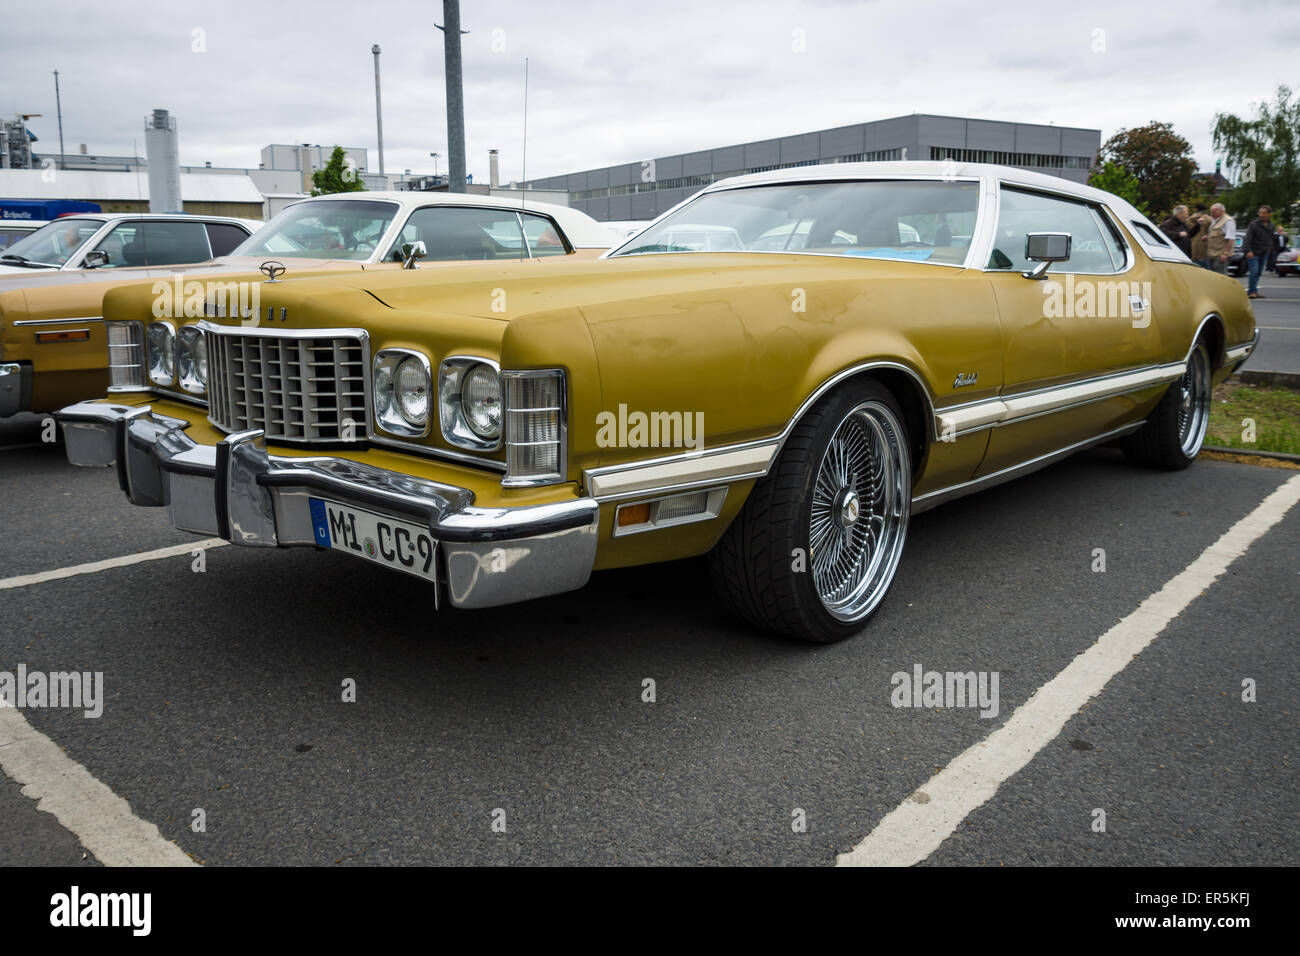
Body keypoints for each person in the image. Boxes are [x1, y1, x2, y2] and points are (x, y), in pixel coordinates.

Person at [1242, 205, 1273, 298]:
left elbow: (1270, 238)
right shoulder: (1253, 224)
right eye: (1260, 213)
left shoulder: (1271, 225)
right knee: (1254, 272)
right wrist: (1248, 250)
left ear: (1269, 214)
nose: (1261, 215)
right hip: (1253, 252)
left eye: (1264, 213)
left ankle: (1255, 290)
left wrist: (1270, 248)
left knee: (1259, 272)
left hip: (1264, 252)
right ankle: (1251, 292)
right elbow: (1248, 238)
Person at [1206, 203, 1236, 274]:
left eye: (1213, 212)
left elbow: (1231, 239)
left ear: (1221, 211)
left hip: (1220, 255)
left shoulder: (1228, 221)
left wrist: (1225, 254)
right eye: (1211, 212)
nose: (1211, 214)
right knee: (1214, 276)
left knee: (1220, 276)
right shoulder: (1215, 220)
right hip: (1212, 255)